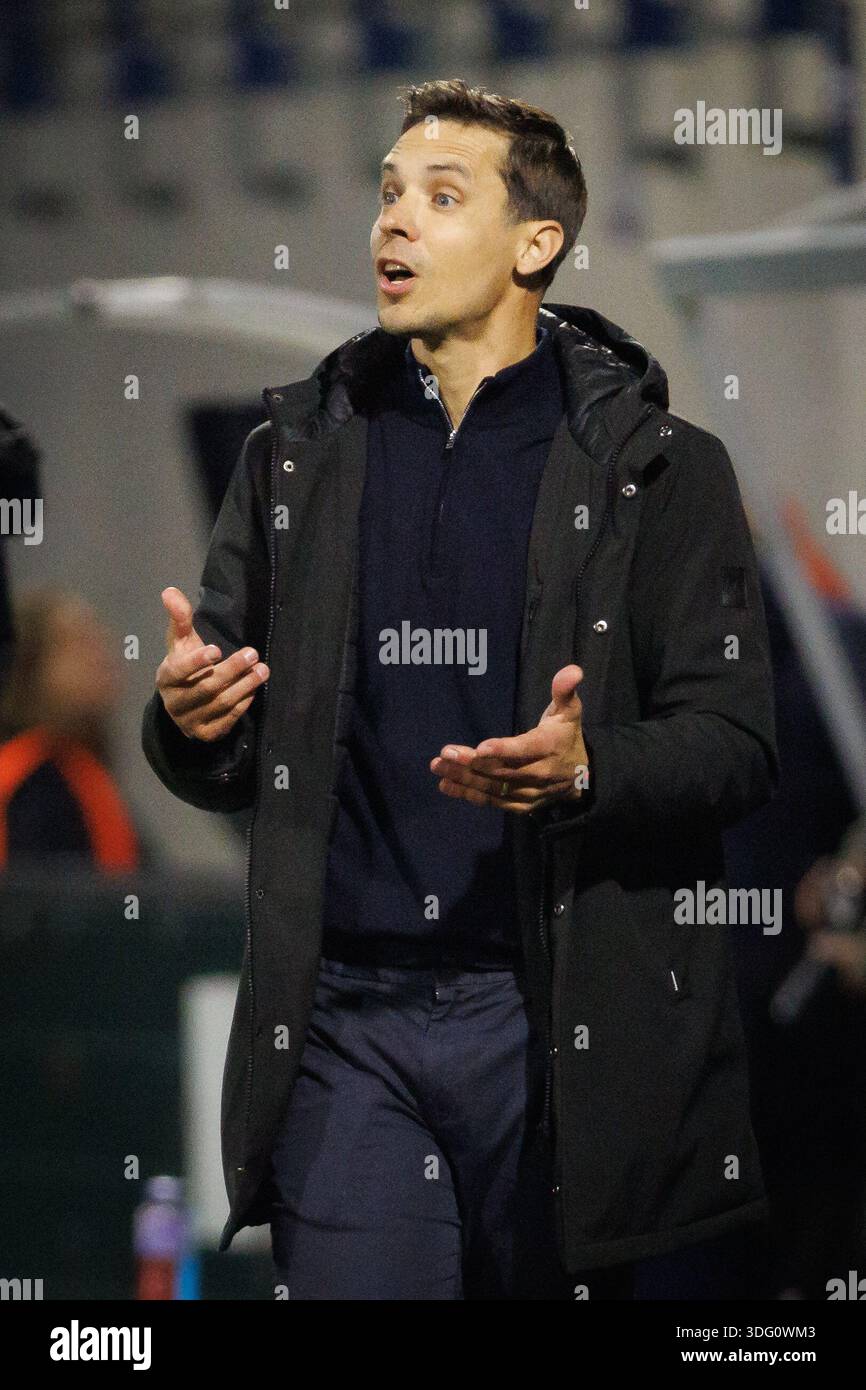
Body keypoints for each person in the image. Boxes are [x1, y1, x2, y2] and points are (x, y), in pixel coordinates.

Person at [142, 78, 779, 1300]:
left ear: (534, 243)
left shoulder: (660, 471)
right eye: (386, 194)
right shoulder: (290, 456)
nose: (393, 223)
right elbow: (211, 735)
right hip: (345, 1025)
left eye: (440, 197)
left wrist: (584, 768)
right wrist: (184, 721)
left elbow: (737, 741)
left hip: (549, 1021)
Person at [0, 586, 139, 872]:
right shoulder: (25, 780)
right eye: (75, 643)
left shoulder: (82, 769)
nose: (99, 654)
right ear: (30, 666)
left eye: (96, 637)